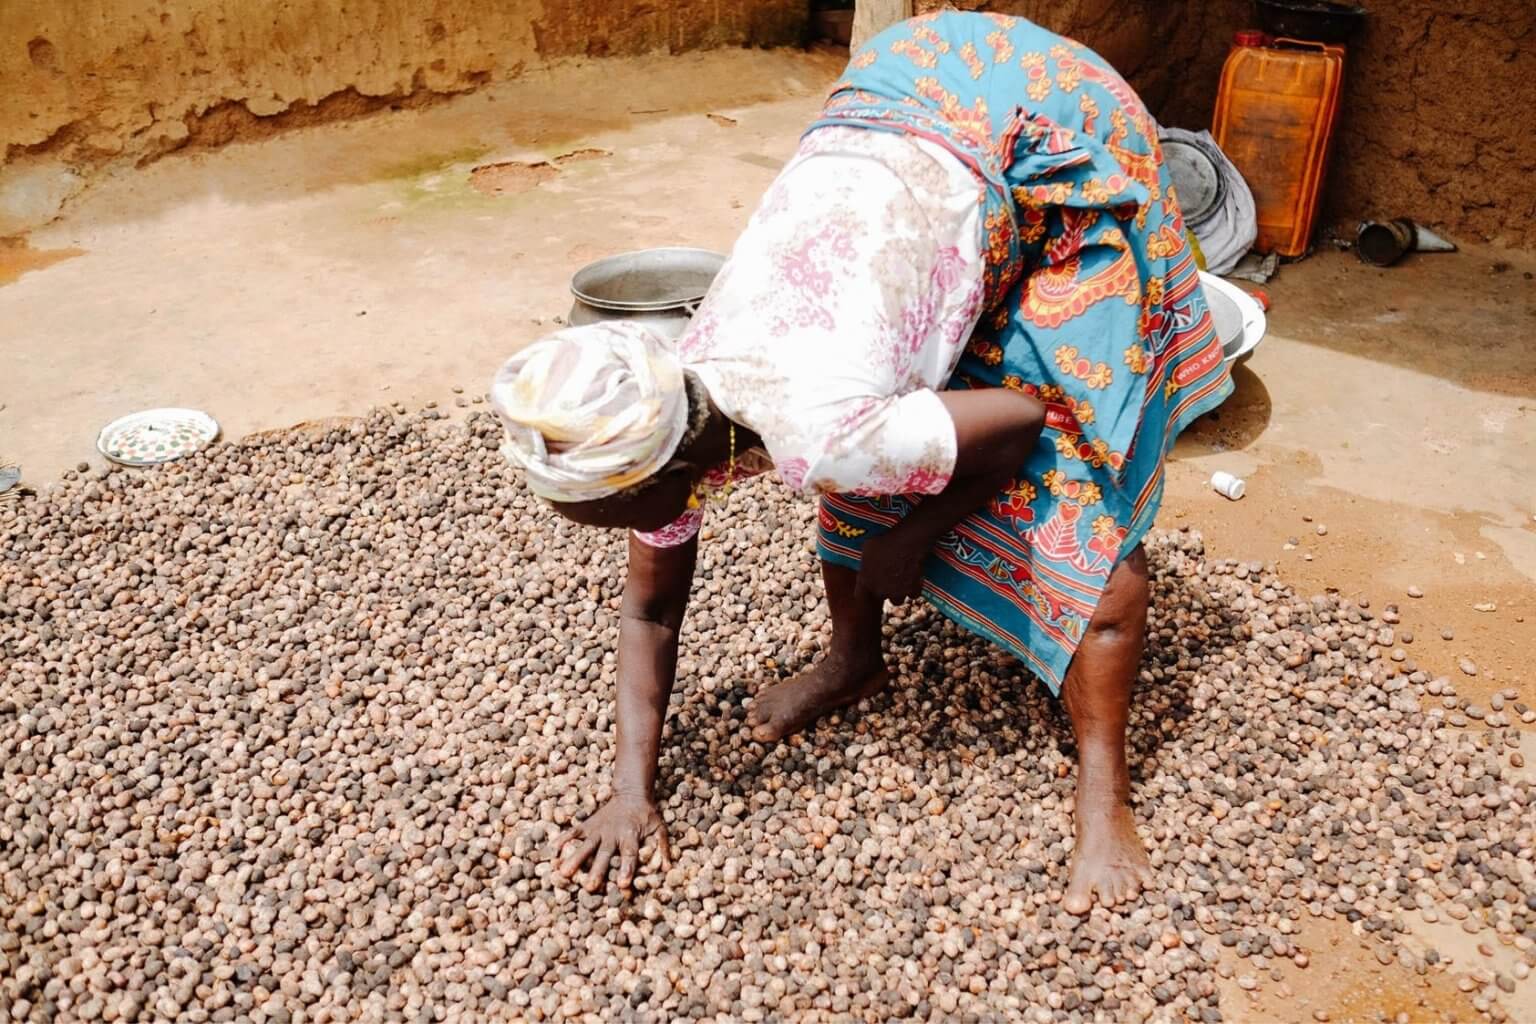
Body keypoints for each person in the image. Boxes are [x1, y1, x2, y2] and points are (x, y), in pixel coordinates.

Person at [491, 11, 1231, 914]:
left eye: (601, 517)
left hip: (1039, 115)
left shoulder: (823, 426)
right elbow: (651, 607)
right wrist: (631, 790)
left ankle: (1105, 799)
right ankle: (855, 661)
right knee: (873, 456)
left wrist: (915, 536)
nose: (612, 532)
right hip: (902, 107)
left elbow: (1025, 420)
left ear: (654, 478)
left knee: (1083, 514)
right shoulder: (682, 399)